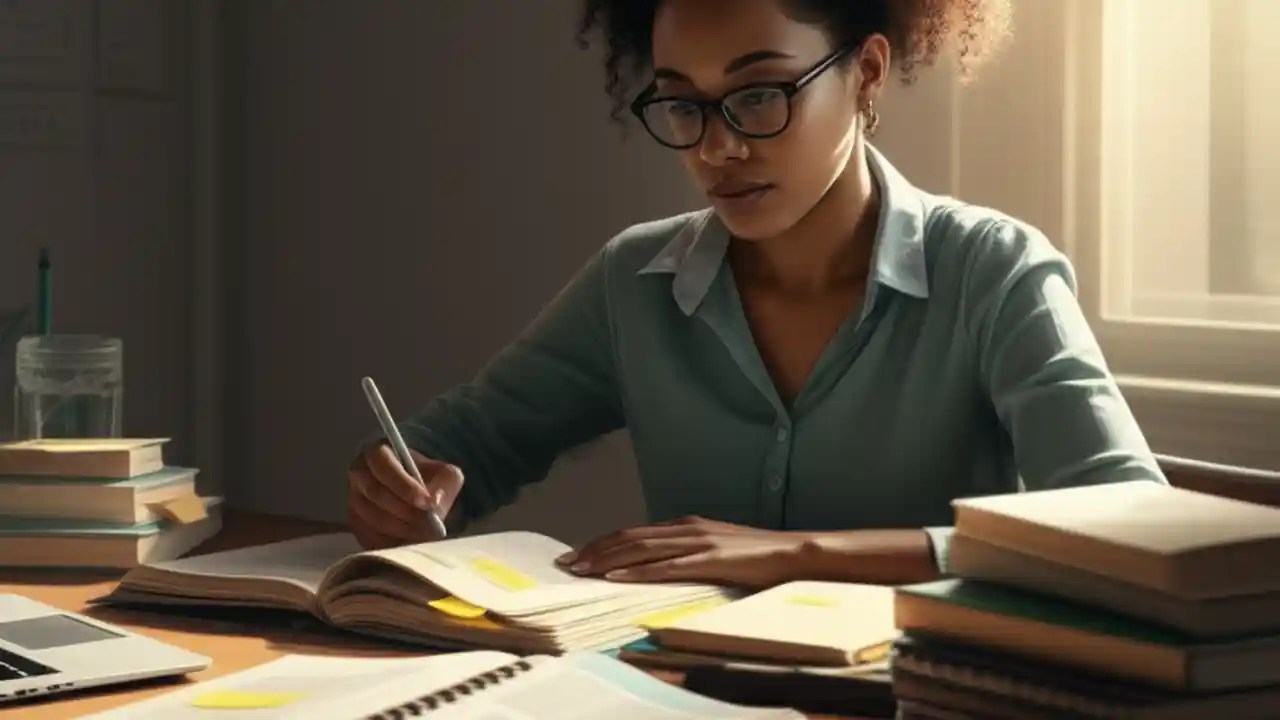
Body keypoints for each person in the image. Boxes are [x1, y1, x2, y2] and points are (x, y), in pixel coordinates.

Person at [346, 0, 1167, 589]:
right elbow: (465, 445)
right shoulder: (636, 284)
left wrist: (801, 554)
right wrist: (402, 489)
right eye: (683, 104)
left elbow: (1129, 524)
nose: (718, 146)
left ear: (867, 74)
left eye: (760, 94)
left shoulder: (992, 273)